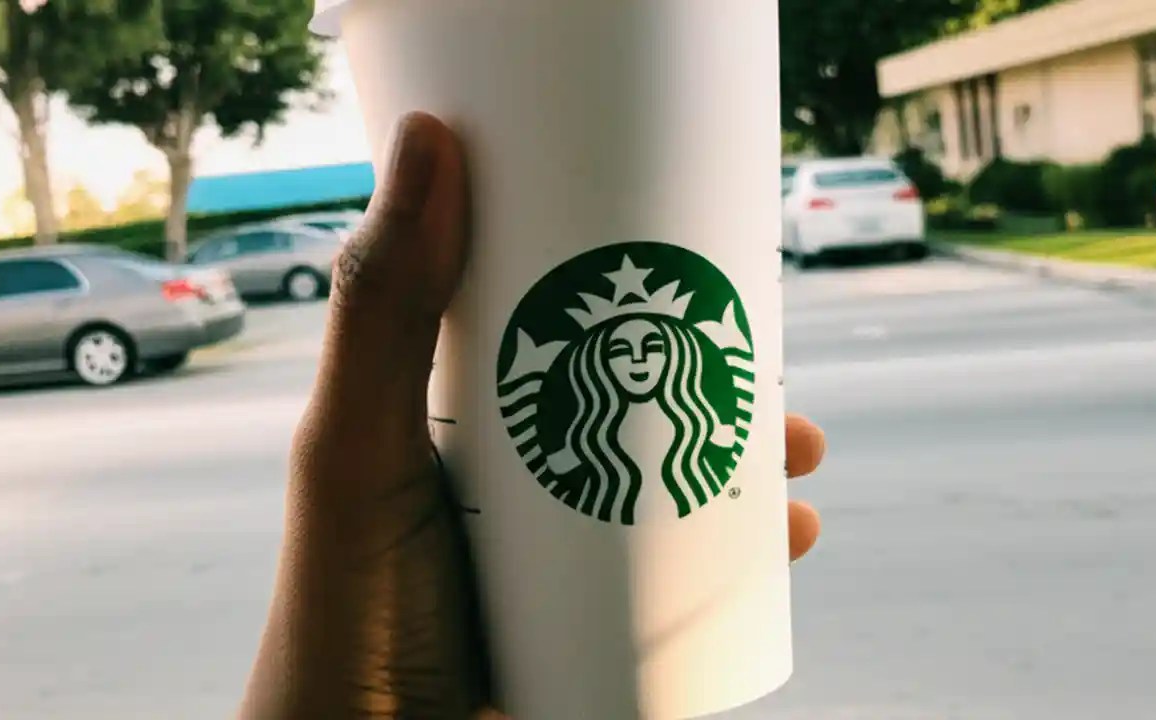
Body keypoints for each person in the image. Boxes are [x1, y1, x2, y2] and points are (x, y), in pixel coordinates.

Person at [238, 113, 827, 720]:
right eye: (619, 349)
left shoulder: (693, 435)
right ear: (594, 361)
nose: (638, 361)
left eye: (653, 346)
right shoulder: (584, 446)